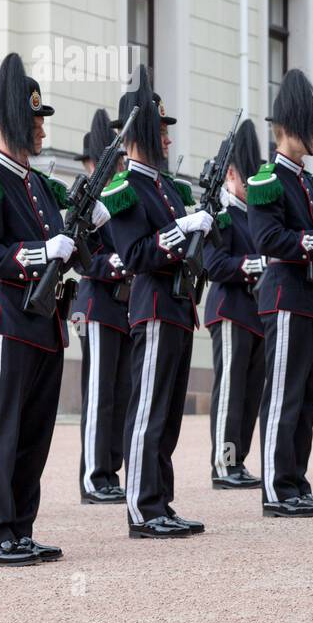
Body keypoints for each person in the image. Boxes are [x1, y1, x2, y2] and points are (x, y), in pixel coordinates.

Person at [0, 53, 86, 565]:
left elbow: (72, 251)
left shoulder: (39, 186)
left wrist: (83, 231)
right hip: (7, 321)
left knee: (34, 436)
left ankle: (20, 528)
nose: (40, 126)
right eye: (34, 117)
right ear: (10, 118)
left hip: (44, 325)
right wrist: (40, 253)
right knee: (2, 429)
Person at [103, 69, 208, 538]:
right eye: (161, 129)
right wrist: (181, 231)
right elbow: (136, 254)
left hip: (178, 306)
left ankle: (160, 500)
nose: (167, 138)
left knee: (166, 412)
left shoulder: (166, 188)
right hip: (153, 305)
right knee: (147, 408)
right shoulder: (125, 188)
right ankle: (142, 508)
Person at [246, 68, 313, 518]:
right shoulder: (269, 179)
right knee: (284, 394)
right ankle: (276, 487)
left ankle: (296, 481)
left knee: (305, 396)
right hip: (285, 297)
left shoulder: (305, 181)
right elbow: (267, 239)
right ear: (292, 126)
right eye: (311, 124)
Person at [202, 118, 266, 489]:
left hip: (253, 314)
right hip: (229, 310)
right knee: (230, 390)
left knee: (249, 393)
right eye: (245, 178)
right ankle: (224, 464)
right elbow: (215, 265)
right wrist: (255, 265)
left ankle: (238, 460)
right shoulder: (220, 213)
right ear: (230, 174)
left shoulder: (251, 214)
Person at [74, 109, 132, 505]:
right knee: (99, 393)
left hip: (123, 305)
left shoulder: (118, 194)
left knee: (121, 391)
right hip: (95, 303)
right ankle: (95, 476)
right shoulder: (85, 199)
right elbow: (81, 253)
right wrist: (113, 263)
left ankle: (111, 469)